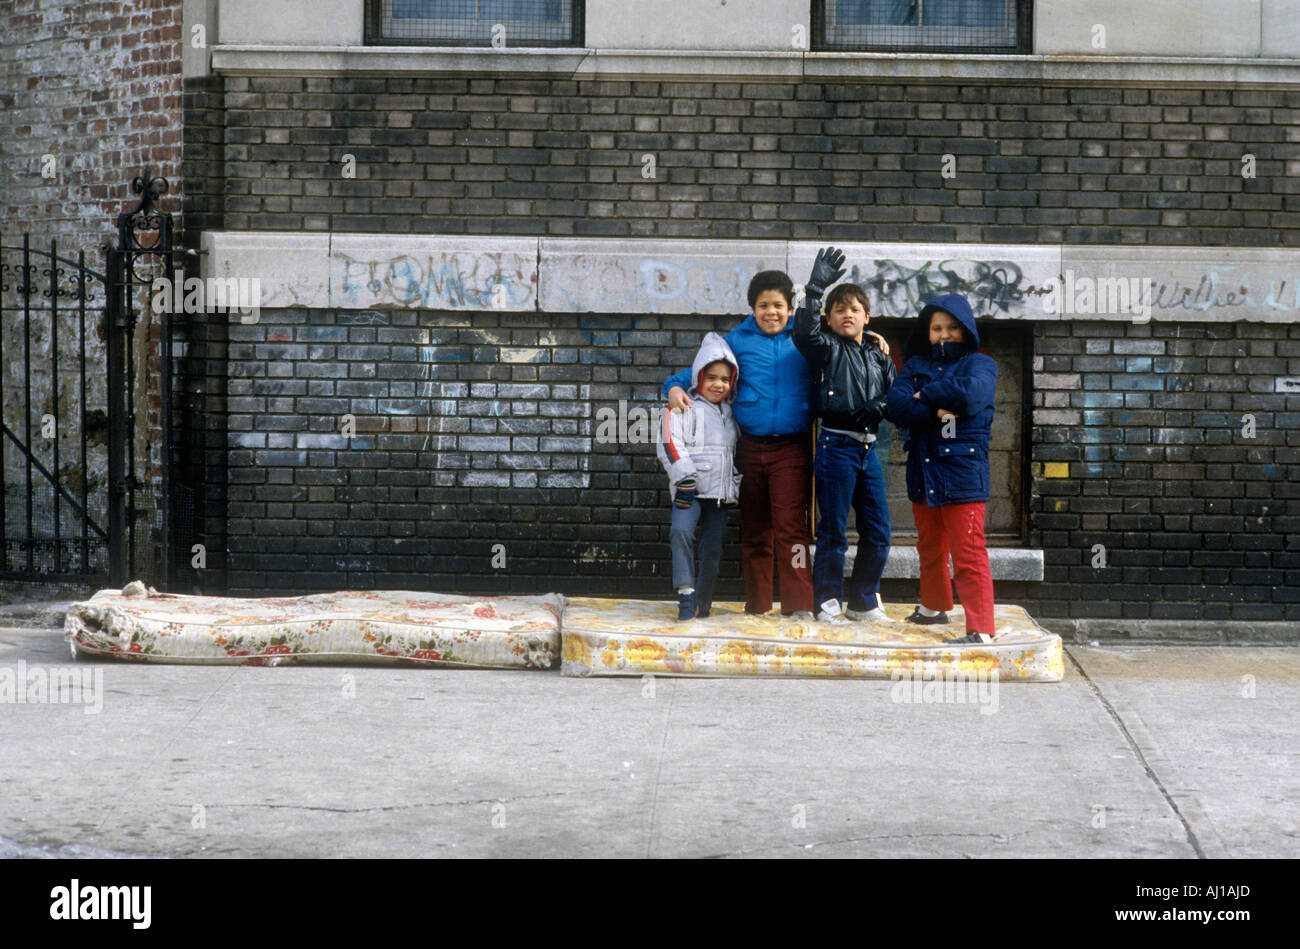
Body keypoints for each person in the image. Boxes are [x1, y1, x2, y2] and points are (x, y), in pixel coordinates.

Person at [884, 293, 999, 645]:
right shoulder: (915, 363)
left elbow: (971, 397)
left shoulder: (981, 364)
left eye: (952, 327)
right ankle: (934, 607)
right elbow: (895, 406)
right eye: (937, 328)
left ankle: (981, 629)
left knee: (968, 550)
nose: (944, 334)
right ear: (928, 331)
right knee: (929, 544)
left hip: (962, 471)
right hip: (924, 468)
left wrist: (926, 394)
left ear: (965, 330)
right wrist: (935, 409)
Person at [791, 247, 898, 625]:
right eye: (839, 310)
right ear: (830, 320)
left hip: (868, 451)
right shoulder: (826, 348)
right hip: (836, 445)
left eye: (854, 309)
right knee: (833, 532)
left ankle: (864, 600)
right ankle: (828, 602)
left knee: (879, 531)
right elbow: (804, 332)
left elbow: (896, 397)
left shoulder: (879, 355)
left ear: (866, 318)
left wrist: (882, 408)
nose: (847, 314)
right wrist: (815, 289)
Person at [655, 332, 742, 621]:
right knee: (680, 534)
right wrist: (685, 477)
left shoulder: (731, 413)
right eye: (711, 377)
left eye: (725, 379)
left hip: (718, 495)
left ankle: (703, 602)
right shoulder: (683, 405)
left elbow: (734, 453)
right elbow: (669, 441)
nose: (718, 384)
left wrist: (735, 483)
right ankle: (685, 593)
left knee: (713, 551)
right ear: (698, 377)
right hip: (687, 489)